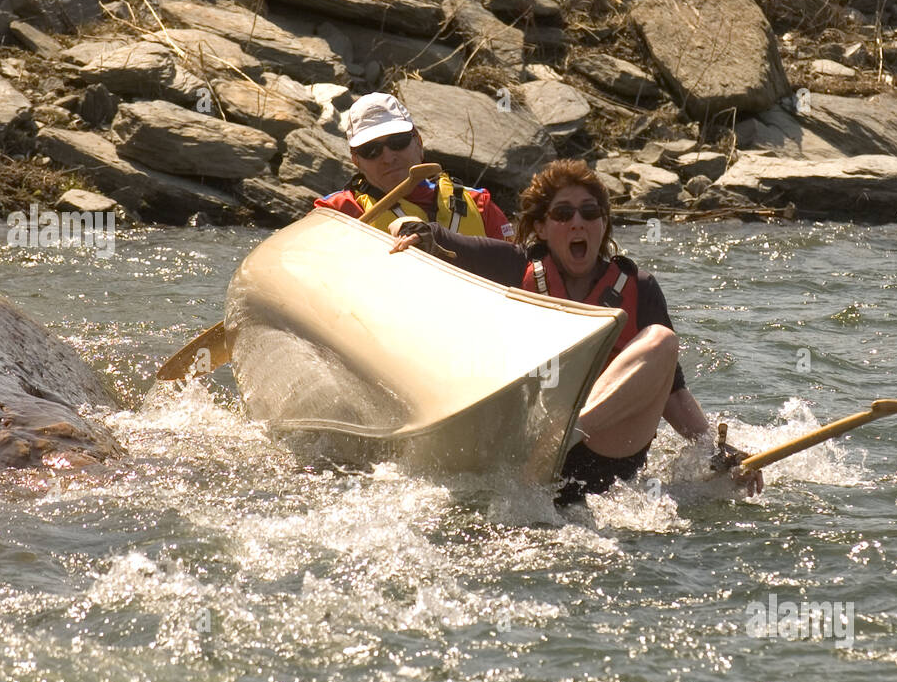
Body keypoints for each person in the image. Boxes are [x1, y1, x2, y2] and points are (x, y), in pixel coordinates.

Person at [387, 158, 764, 503]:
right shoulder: (512, 264)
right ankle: (553, 442)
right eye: (563, 214)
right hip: (528, 450)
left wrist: (718, 456)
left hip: (605, 455)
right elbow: (427, 233)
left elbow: (673, 396)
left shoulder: (640, 286)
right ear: (541, 227)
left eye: (589, 212)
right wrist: (411, 228)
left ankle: (568, 433)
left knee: (662, 342)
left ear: (603, 223)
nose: (577, 223)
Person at [314, 92, 515, 240]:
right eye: (371, 150)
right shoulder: (335, 212)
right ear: (356, 160)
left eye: (398, 142)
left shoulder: (479, 204)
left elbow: (517, 271)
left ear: (418, 142)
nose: (388, 157)